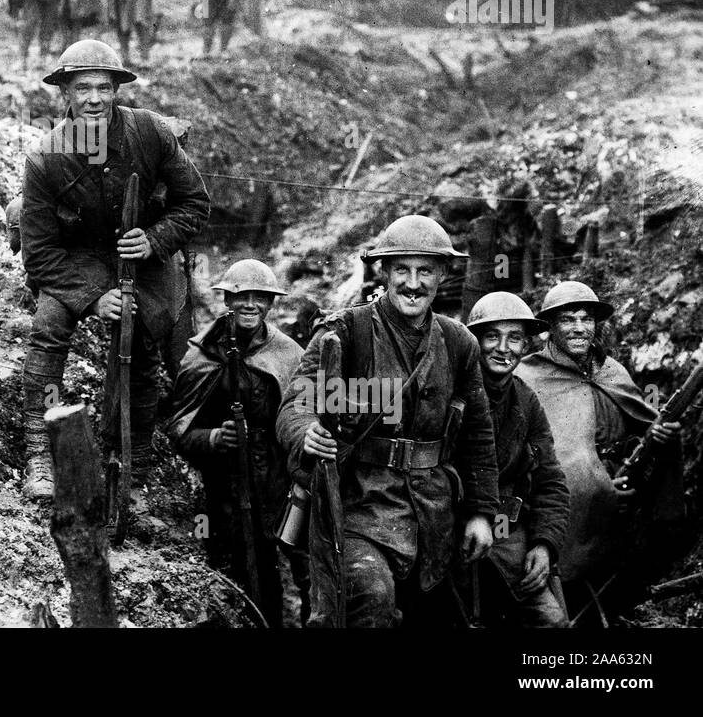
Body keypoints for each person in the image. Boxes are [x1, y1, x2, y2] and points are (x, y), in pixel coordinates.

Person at [276, 214, 500, 627]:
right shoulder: (345, 332)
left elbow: (479, 436)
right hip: (357, 507)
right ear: (383, 271)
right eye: (402, 270)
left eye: (426, 271)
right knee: (370, 601)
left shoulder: (459, 342)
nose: (413, 284)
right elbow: (296, 404)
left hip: (434, 516)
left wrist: (483, 512)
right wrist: (307, 432)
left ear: (443, 276)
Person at [19, 39, 210, 502]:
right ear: (64, 92)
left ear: (117, 90)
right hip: (78, 257)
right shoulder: (45, 157)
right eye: (82, 88)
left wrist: (156, 239)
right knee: (49, 324)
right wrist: (91, 296)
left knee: (145, 329)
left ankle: (135, 457)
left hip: (140, 249)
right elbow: (39, 254)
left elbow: (195, 203)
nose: (94, 99)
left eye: (104, 88)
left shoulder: (149, 133)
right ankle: (39, 452)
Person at [517, 280, 684, 620]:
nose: (580, 328)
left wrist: (659, 439)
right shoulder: (527, 377)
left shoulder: (612, 371)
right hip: (563, 508)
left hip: (624, 499)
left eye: (586, 319)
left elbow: (645, 428)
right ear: (549, 327)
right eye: (568, 319)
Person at [167, 259, 311, 626]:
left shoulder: (289, 353)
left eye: (259, 297)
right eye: (241, 296)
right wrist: (215, 437)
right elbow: (180, 430)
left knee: (306, 568)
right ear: (226, 300)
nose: (250, 304)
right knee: (240, 574)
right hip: (226, 487)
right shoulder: (201, 356)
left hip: (280, 480)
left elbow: (306, 416)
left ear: (270, 304)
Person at [459, 292, 569, 627]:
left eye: (515, 338)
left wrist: (544, 544)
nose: (503, 349)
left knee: (552, 620)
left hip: (507, 531)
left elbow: (551, 481)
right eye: (492, 336)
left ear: (526, 346)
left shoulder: (526, 401)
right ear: (474, 341)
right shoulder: (451, 389)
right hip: (449, 525)